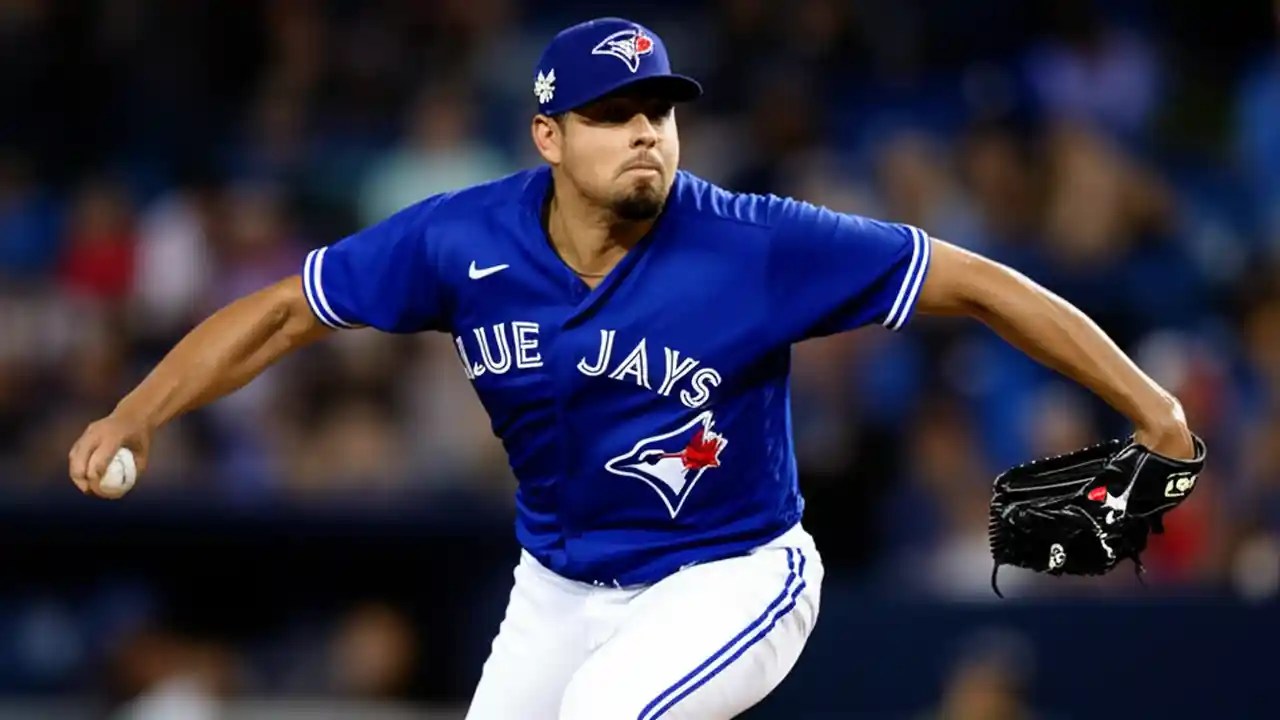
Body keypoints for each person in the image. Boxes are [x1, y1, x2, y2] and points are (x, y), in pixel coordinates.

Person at [68, 17, 1197, 720]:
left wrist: (1146, 406)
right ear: (548, 137)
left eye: (658, 108)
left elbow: (981, 283)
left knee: (610, 711)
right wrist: (139, 409)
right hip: (557, 585)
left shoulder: (754, 242)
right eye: (612, 116)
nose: (647, 131)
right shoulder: (460, 242)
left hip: (731, 572)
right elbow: (282, 315)